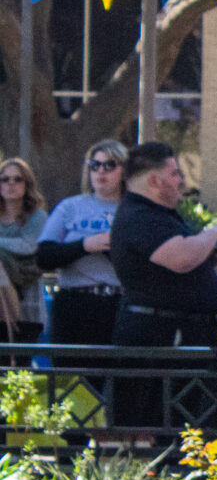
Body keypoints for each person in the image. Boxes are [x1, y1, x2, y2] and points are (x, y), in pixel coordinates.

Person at [108, 143, 217, 426]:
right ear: (155, 180)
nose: (183, 181)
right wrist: (213, 233)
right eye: (175, 173)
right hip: (159, 343)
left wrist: (209, 259)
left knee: (181, 431)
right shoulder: (140, 216)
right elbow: (180, 259)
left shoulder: (160, 216)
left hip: (182, 341)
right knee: (153, 430)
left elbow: (180, 267)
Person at [38, 141, 127, 355]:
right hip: (74, 303)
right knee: (72, 379)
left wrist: (112, 248)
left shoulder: (134, 209)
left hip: (120, 304)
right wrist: (85, 245)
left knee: (118, 380)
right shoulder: (70, 207)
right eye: (94, 165)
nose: (100, 172)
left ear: (124, 169)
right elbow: (44, 256)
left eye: (109, 165)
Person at [0, 159, 49, 349]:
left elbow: (29, 246)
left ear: (27, 184)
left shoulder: (38, 216)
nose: (10, 184)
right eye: (4, 179)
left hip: (28, 307)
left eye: (17, 179)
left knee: (21, 371)